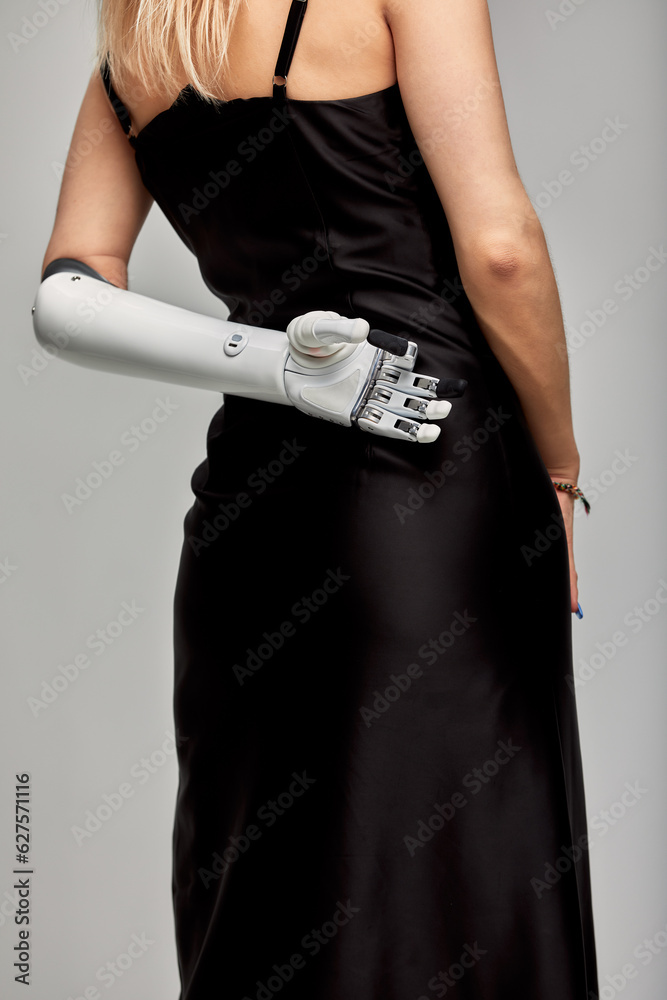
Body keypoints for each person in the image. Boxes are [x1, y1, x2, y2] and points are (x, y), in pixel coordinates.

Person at [35, 0, 599, 996]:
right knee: (451, 874)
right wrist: (559, 468)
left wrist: (278, 367)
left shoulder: (139, 49)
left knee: (275, 887)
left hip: (249, 513)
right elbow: (501, 248)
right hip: (431, 474)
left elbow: (67, 298)